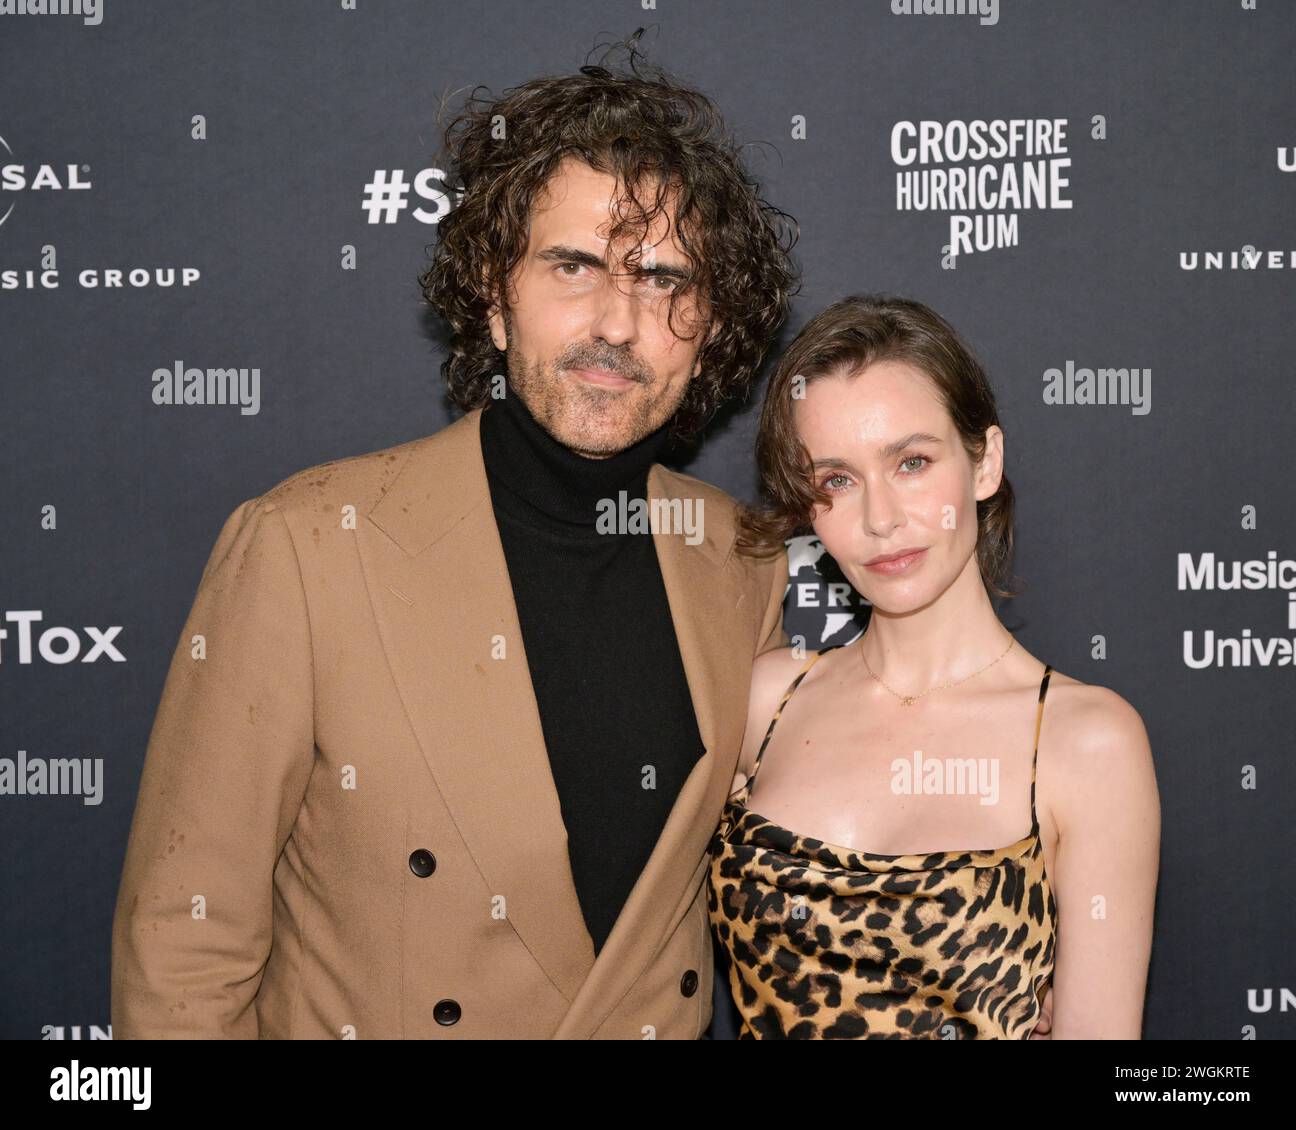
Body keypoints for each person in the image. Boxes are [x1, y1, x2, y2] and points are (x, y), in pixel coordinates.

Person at [111, 45, 799, 1039]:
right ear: (492, 285)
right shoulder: (306, 546)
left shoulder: (738, 558)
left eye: (662, 279)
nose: (617, 320)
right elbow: (185, 942)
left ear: (709, 325)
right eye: (572, 266)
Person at [708, 294, 1159, 1039]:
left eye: (911, 462)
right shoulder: (767, 699)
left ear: (984, 465)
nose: (880, 519)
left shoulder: (1087, 743)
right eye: (836, 482)